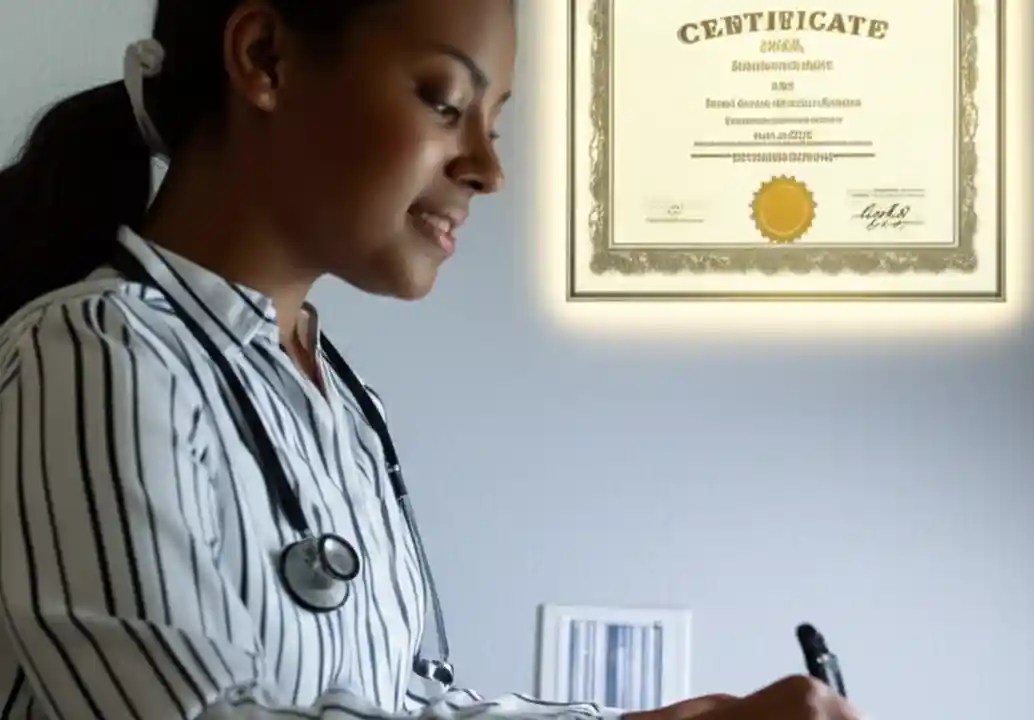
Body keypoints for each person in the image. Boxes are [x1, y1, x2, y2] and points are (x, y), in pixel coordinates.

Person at [0, 1, 864, 718]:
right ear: (265, 59)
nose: (489, 168)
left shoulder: (338, 402)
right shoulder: (89, 355)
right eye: (445, 102)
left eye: (493, 123)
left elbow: (402, 702)